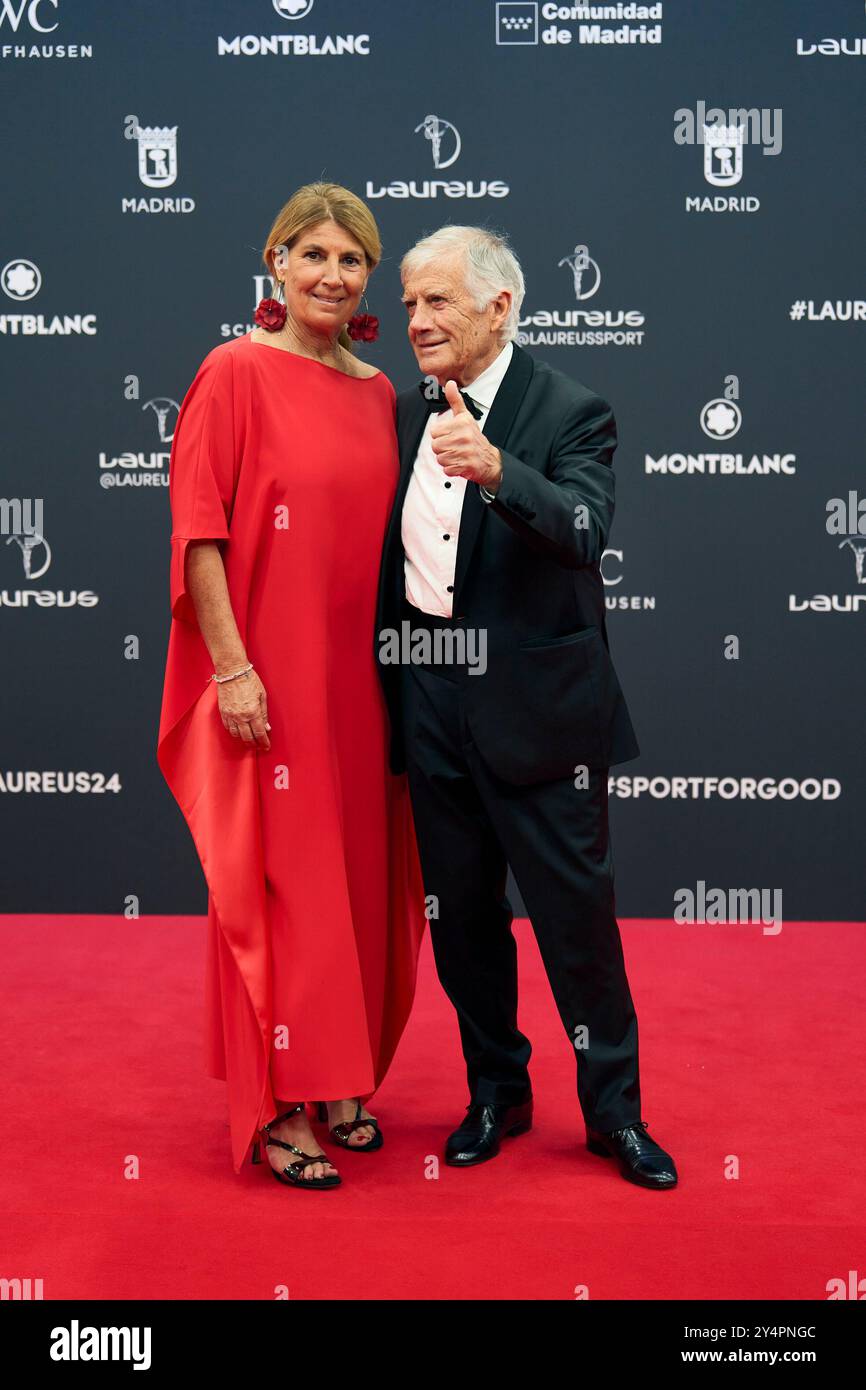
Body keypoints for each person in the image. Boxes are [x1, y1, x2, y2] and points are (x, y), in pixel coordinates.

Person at [375, 225, 677, 1189]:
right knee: (462, 921)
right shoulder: (395, 413)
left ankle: (614, 1115)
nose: (417, 320)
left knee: (575, 922)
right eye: (411, 302)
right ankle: (496, 1092)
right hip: (429, 697)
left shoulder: (573, 410)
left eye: (439, 303)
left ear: (500, 308)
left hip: (541, 713)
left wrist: (501, 472)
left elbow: (585, 531)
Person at [157, 182, 426, 1189]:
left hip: (366, 685)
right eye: (310, 252)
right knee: (284, 891)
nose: (330, 273)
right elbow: (200, 536)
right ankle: (277, 1108)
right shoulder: (232, 371)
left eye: (350, 258)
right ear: (274, 261)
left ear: (368, 278)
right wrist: (232, 667)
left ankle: (342, 1076)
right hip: (269, 682)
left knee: (357, 879)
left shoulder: (374, 392)